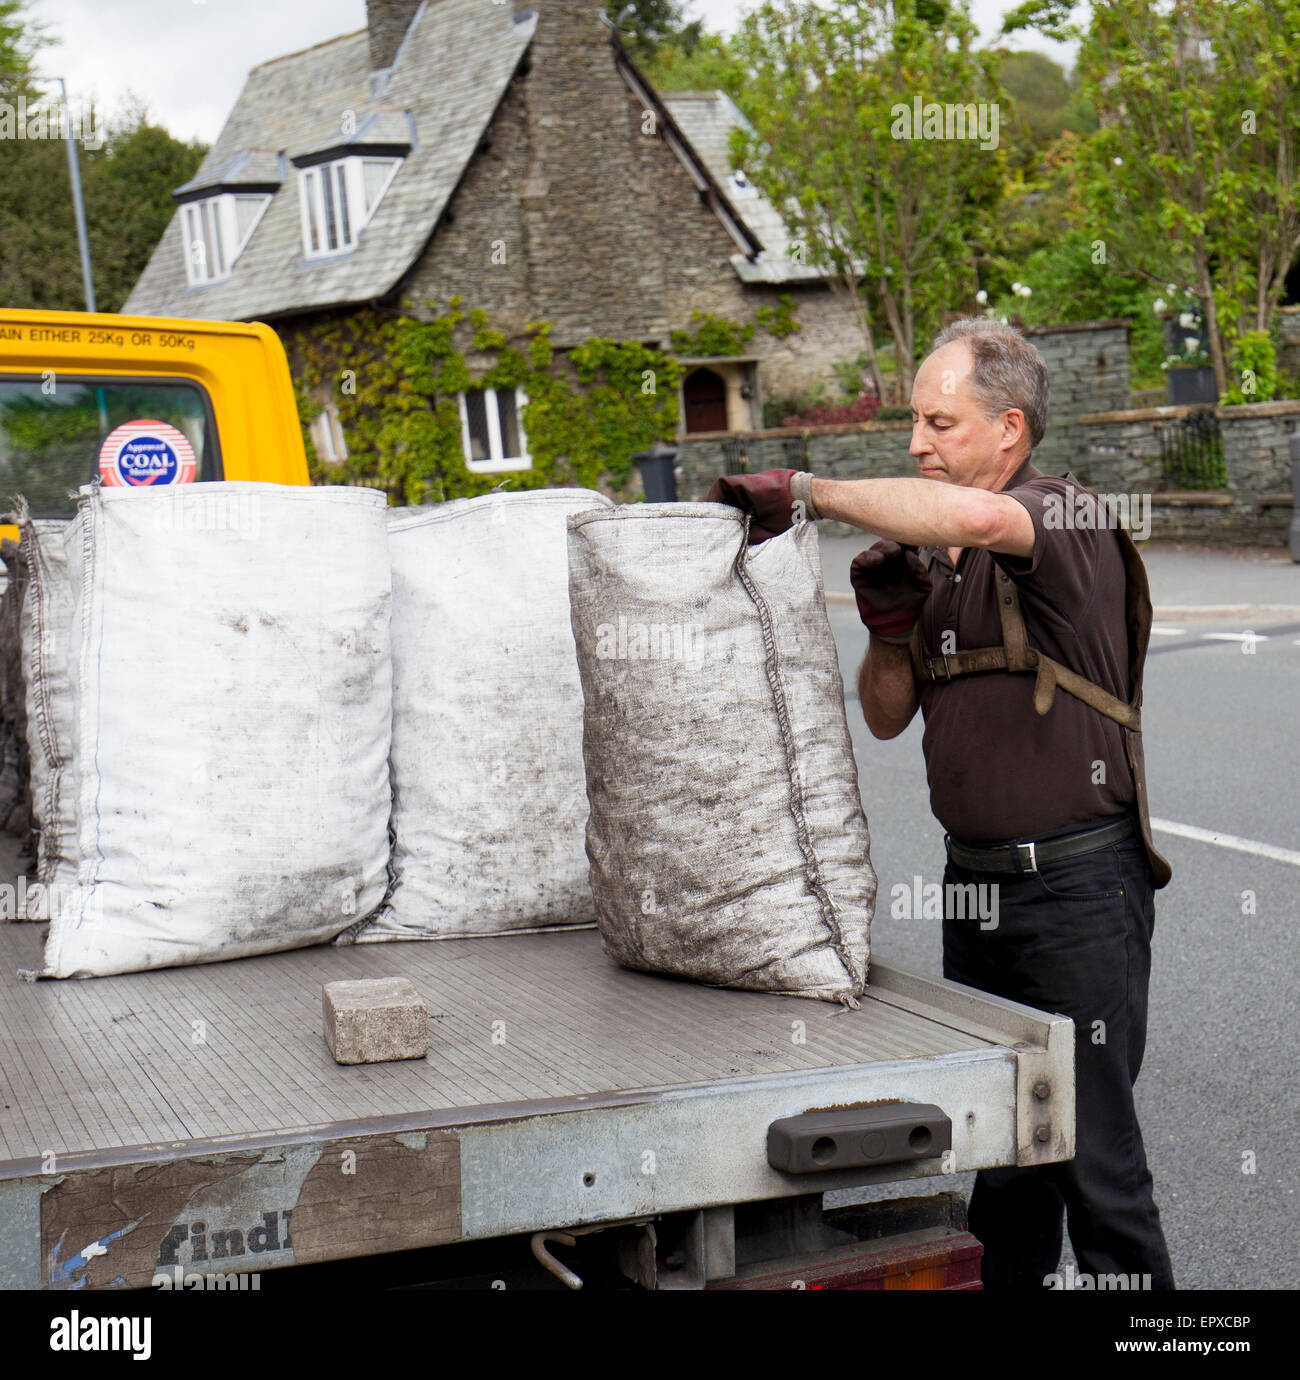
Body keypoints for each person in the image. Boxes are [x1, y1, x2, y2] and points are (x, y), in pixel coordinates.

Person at [706, 315, 1176, 1291]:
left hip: (1077, 894)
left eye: (939, 422)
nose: (917, 444)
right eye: (914, 425)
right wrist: (885, 632)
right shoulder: (944, 570)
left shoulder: (1060, 517)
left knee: (1096, 1170)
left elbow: (974, 518)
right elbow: (885, 717)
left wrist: (803, 493)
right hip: (978, 893)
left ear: (1009, 427)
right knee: (1006, 1168)